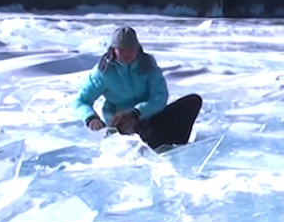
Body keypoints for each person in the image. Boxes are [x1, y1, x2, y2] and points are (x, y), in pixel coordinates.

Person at [74, 25, 202, 149]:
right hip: (122, 128)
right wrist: (91, 118)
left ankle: (176, 146)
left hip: (148, 118)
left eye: (131, 49)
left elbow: (159, 96)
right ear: (113, 50)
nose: (127, 54)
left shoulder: (148, 65)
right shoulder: (103, 72)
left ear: (138, 48)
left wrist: (136, 112)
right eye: (122, 50)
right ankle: (159, 145)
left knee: (192, 101)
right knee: (148, 134)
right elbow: (81, 100)